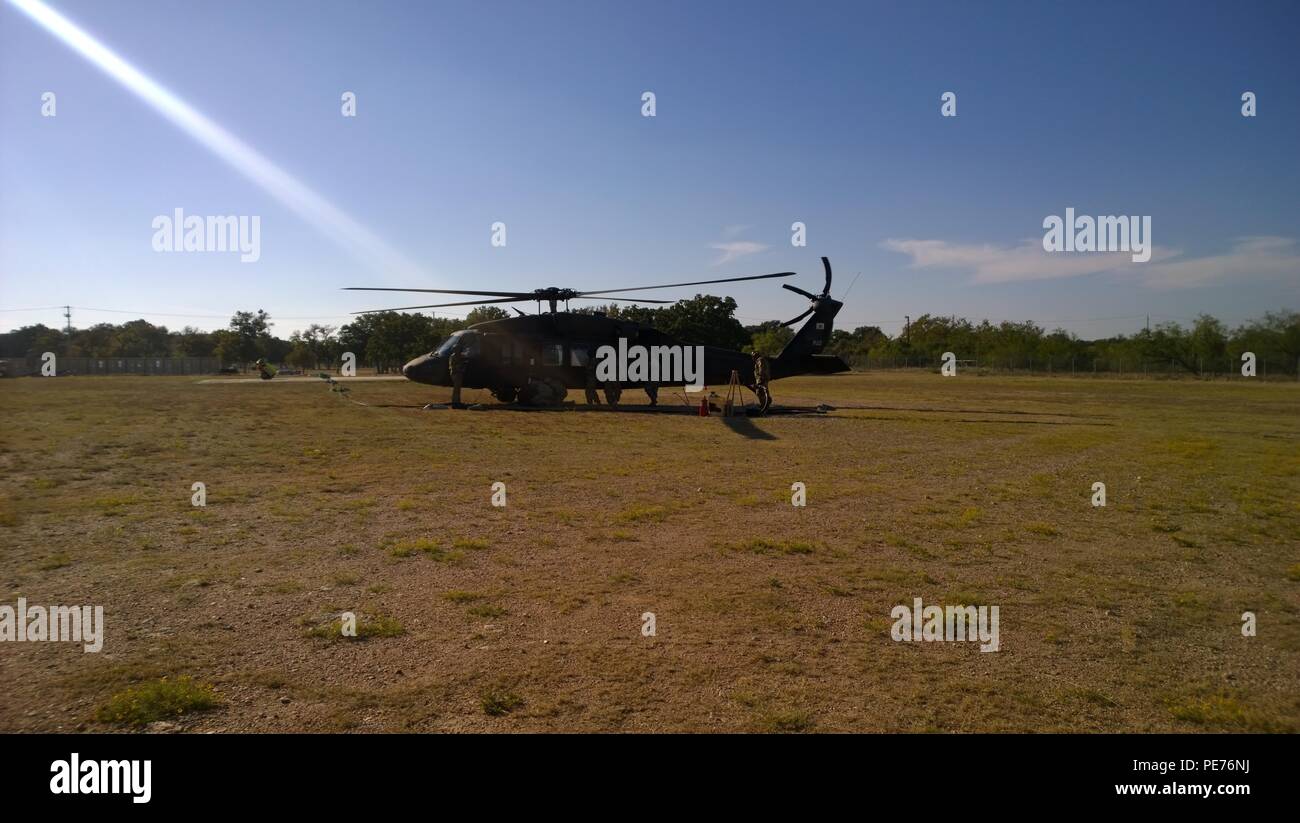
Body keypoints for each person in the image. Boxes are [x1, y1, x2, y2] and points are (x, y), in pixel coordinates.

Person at [448, 343, 468, 407]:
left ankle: (457, 402)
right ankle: (455, 402)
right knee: (456, 389)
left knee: (457, 389)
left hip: (458, 373)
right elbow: (453, 366)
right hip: (455, 373)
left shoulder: (459, 356)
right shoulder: (453, 356)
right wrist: (460, 365)